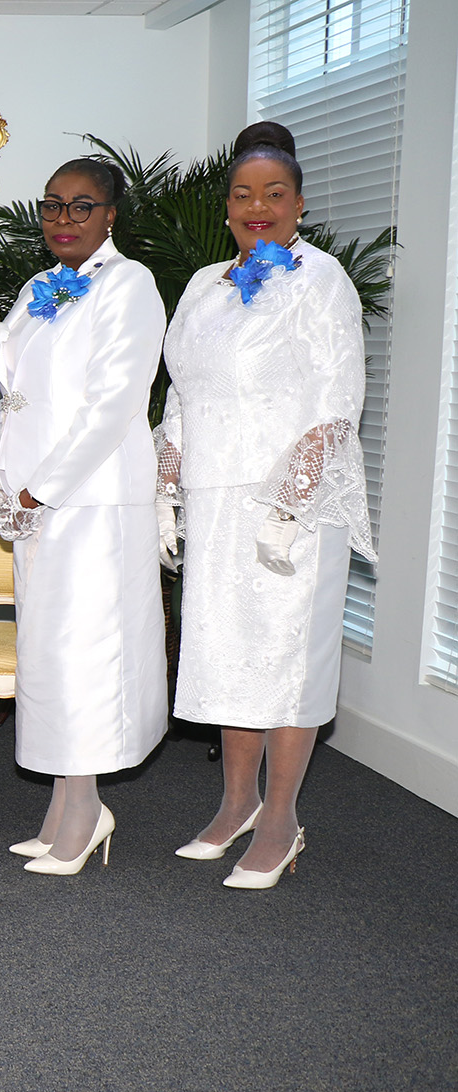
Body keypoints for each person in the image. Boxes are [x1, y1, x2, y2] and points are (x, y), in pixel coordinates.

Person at [159, 136, 375, 889]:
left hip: (291, 506)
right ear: (227, 207)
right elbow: (181, 390)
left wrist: (290, 502)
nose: (258, 207)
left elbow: (338, 400)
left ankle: (281, 818)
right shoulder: (203, 284)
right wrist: (167, 481)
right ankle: (236, 803)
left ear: (299, 204)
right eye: (244, 194)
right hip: (216, 500)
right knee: (227, 653)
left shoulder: (323, 280)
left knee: (286, 658)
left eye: (275, 193)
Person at [0, 158, 169, 875]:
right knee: (50, 656)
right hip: (33, 502)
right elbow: (9, 395)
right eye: (53, 205)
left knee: (86, 653)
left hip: (91, 501)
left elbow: (114, 402)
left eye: (82, 205)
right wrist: (2, 480)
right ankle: (67, 805)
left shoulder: (130, 284)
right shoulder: (37, 287)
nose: (64, 219)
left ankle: (86, 810)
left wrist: (42, 488)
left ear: (111, 214)